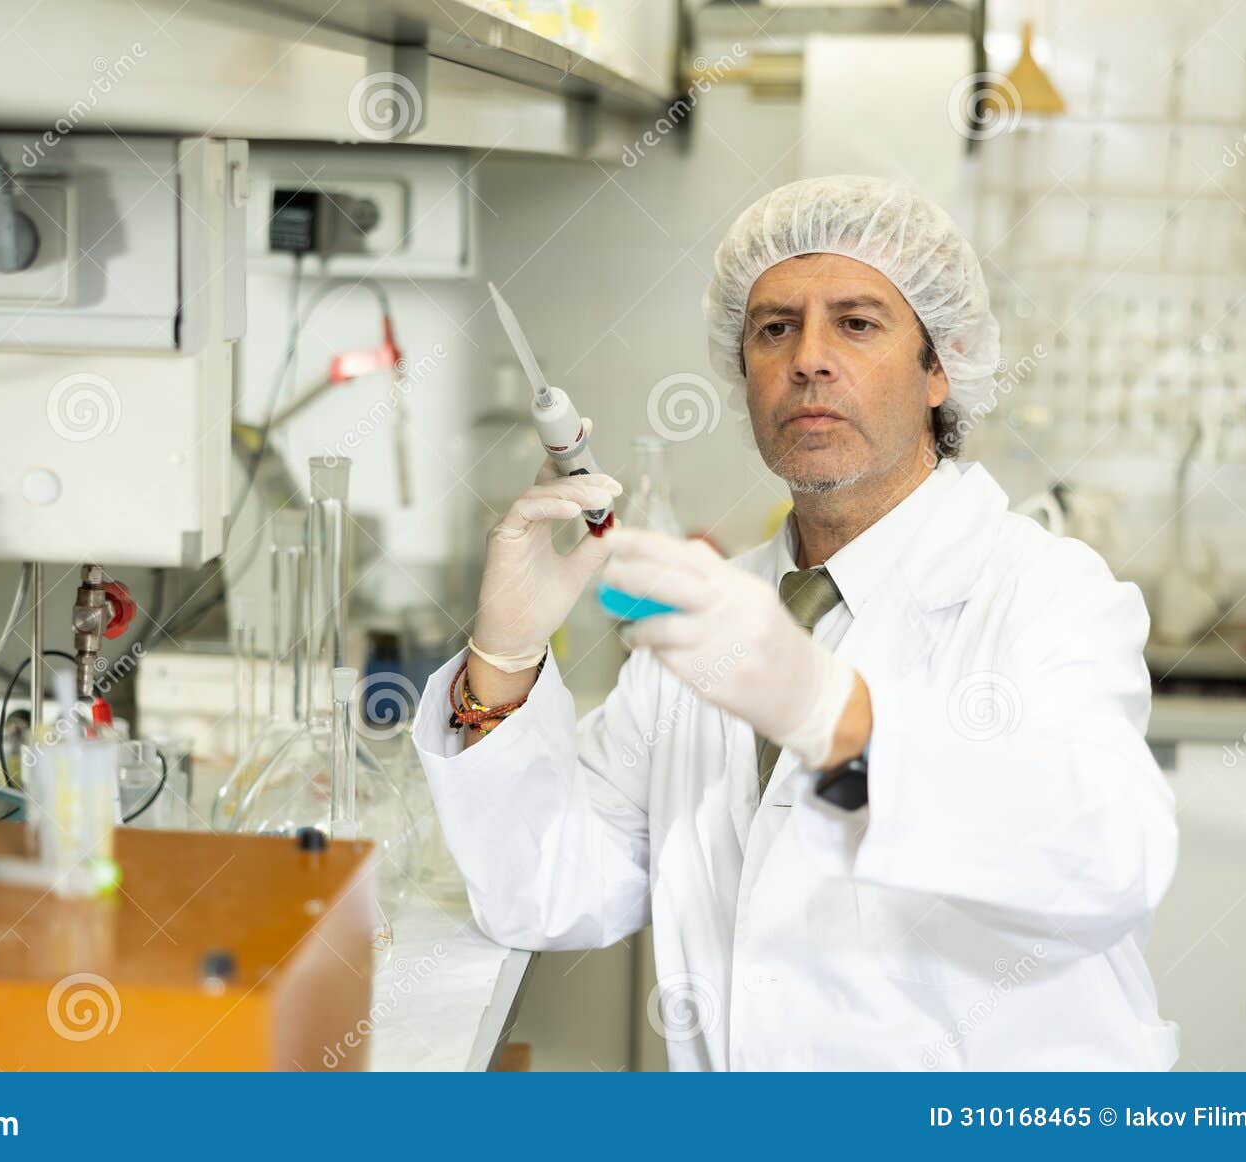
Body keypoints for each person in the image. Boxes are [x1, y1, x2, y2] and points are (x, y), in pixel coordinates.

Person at [411, 175, 1179, 1071]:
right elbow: (544, 889)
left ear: (941, 367)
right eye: (775, 328)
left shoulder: (1048, 595)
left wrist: (834, 717)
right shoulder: (710, 620)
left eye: (856, 323)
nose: (809, 358)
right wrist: (504, 655)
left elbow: (1111, 858)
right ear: (742, 373)